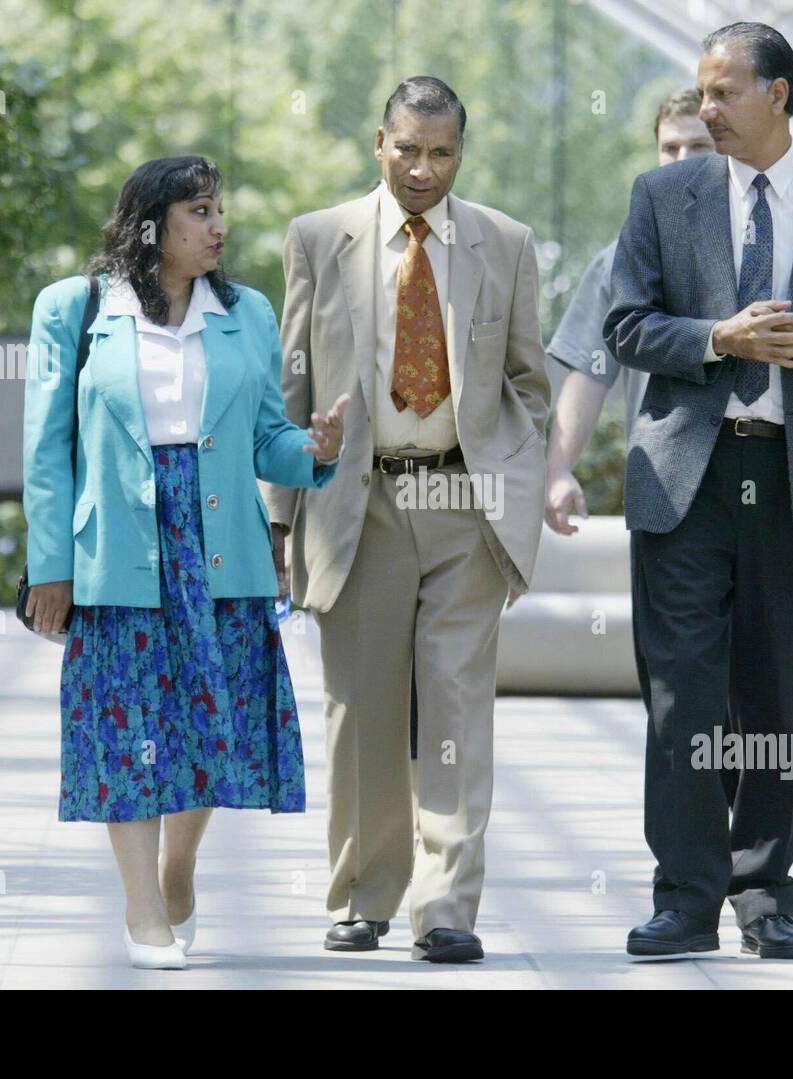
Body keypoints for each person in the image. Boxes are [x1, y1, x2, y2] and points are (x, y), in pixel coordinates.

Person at [604, 22, 793, 961]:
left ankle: (765, 891)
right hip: (685, 477)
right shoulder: (663, 193)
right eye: (701, 92)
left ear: (779, 93)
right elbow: (624, 325)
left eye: (726, 92)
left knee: (779, 695)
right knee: (681, 696)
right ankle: (685, 898)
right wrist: (719, 339)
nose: (707, 109)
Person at [22, 155, 347, 971]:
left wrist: (314, 451)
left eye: (219, 209)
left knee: (212, 720)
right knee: (123, 722)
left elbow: (267, 436)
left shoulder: (247, 311)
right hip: (116, 551)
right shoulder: (75, 308)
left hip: (221, 544)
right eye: (199, 210)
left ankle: (178, 866)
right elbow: (46, 452)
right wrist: (49, 565)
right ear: (150, 223)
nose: (219, 226)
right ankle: (142, 908)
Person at [263, 77, 549, 964]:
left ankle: (447, 904)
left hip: (465, 501)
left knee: (459, 702)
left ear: (461, 153)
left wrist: (514, 485)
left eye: (442, 153)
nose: (423, 169)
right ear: (378, 142)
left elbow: (529, 383)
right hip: (360, 500)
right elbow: (294, 384)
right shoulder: (319, 238)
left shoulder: (505, 242)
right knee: (362, 706)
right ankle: (363, 893)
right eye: (408, 149)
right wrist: (280, 520)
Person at [545, 89, 714, 534]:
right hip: (662, 491)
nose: (681, 159)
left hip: (760, 491)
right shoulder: (618, 263)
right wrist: (558, 470)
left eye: (699, 146)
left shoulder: (767, 249)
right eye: (670, 148)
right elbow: (588, 377)